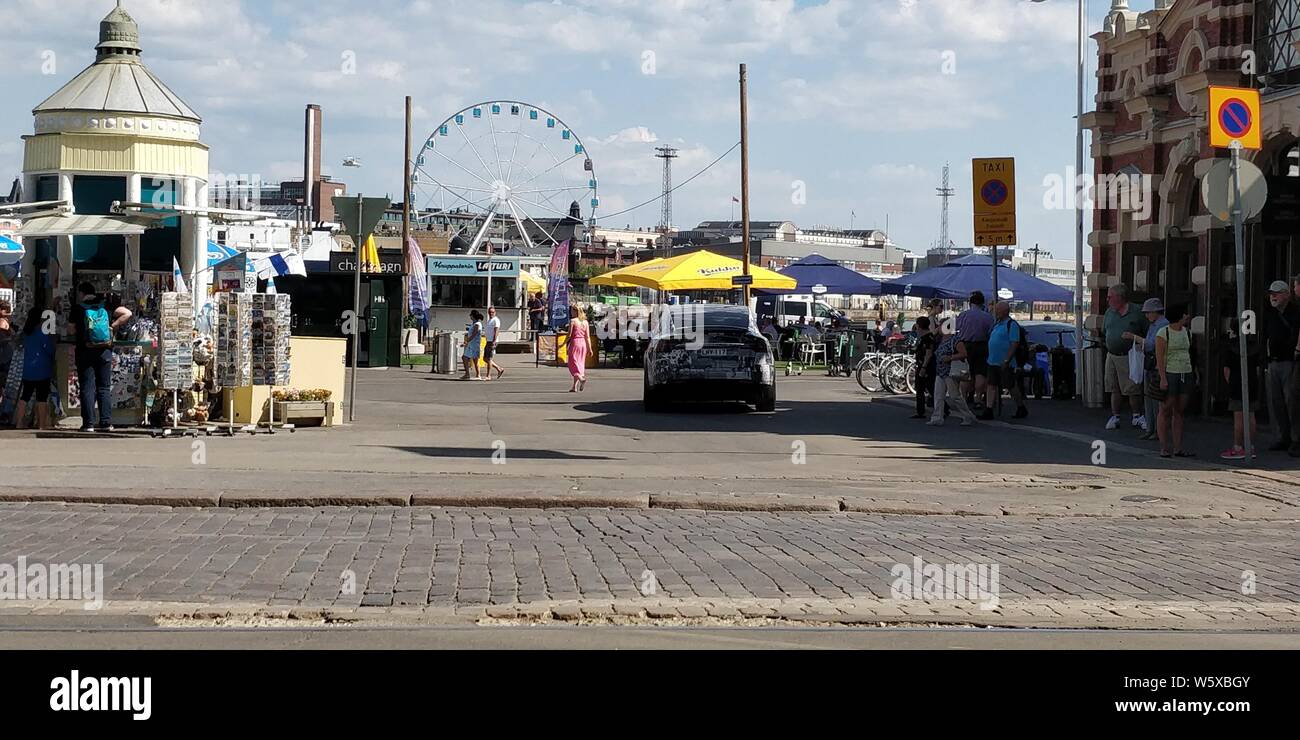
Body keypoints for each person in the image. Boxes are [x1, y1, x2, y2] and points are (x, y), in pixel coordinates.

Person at [68, 282, 131, 432]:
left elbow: (70, 331)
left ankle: (88, 424)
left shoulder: (78, 308)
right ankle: (106, 423)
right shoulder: (105, 306)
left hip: (85, 351)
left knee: (87, 387)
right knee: (103, 387)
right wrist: (113, 325)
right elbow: (127, 313)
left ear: (82, 293)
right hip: (105, 351)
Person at [1100, 283, 1149, 432]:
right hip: (1112, 355)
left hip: (1129, 355)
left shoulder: (1137, 312)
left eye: (1110, 297)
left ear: (1120, 298)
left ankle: (1137, 416)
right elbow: (1104, 330)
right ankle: (1115, 416)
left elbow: (1148, 331)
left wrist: (1139, 342)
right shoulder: (1109, 312)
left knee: (1132, 387)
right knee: (1114, 387)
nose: (1107, 299)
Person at [1262, 279, 1300, 455]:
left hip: (1289, 362)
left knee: (1291, 402)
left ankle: (1295, 438)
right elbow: (1265, 336)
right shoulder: (1269, 313)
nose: (1273, 296)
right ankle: (1281, 437)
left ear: (1287, 294)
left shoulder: (1295, 312)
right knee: (1275, 402)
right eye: (1271, 293)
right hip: (1273, 362)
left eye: (1276, 293)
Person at [1154, 303, 1194, 458]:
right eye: (1185, 314)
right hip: (1170, 373)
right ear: (1180, 316)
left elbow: (1190, 353)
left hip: (1186, 371)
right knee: (1165, 409)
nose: (1187, 317)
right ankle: (1164, 447)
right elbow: (1159, 357)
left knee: (1179, 410)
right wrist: (1163, 378)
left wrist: (1194, 372)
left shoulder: (1187, 333)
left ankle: (1178, 447)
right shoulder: (1163, 333)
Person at [1221, 318, 1261, 460]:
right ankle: (1250, 446)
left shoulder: (1231, 347)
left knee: (1239, 416)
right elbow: (1257, 368)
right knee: (1251, 415)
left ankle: (1238, 446)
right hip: (1252, 382)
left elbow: (1227, 370)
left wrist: (1230, 383)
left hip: (1237, 382)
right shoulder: (1254, 346)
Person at [929, 317, 977, 427]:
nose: (939, 328)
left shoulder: (955, 340)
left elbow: (964, 354)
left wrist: (950, 357)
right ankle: (937, 417)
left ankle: (967, 415)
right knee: (938, 395)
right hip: (940, 371)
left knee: (954, 396)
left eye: (940, 326)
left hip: (950, 371)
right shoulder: (940, 340)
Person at [985, 301, 1028, 419]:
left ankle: (1021, 407)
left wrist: (1007, 360)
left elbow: (1014, 343)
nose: (996, 312)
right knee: (991, 384)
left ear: (1004, 311)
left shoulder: (1012, 325)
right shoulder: (997, 324)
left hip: (1005, 361)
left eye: (998, 310)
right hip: (992, 360)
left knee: (1010, 385)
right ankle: (988, 410)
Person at [15, 306, 55, 429]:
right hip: (42, 368)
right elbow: (49, 350)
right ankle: (41, 424)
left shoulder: (26, 333)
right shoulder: (42, 333)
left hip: (28, 368)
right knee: (41, 398)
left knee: (25, 396)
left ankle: (19, 423)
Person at [1136, 298, 1169, 441]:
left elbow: (1151, 344)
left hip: (1157, 363)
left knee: (1155, 398)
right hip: (1150, 362)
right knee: (1148, 397)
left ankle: (1156, 429)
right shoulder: (1153, 324)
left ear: (1156, 311)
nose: (1146, 315)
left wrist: (1136, 339)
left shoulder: (1162, 325)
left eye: (1148, 312)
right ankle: (1151, 428)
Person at [955, 290, 994, 411]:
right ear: (982, 303)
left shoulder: (963, 315)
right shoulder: (988, 317)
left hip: (965, 345)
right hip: (982, 346)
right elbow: (991, 332)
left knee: (966, 372)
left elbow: (952, 328)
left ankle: (964, 398)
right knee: (980, 373)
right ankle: (978, 398)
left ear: (970, 303)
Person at [911, 316, 937, 419]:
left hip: (926, 367)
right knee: (920, 388)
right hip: (921, 365)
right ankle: (920, 411)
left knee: (931, 388)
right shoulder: (923, 338)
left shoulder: (928, 338)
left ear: (918, 326)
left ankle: (945, 408)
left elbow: (928, 353)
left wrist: (924, 367)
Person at [566, 303, 591, 392]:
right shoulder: (585, 322)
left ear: (575, 311)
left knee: (572, 363)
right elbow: (587, 336)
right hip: (583, 344)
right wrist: (590, 348)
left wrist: (564, 343)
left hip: (575, 343)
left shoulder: (573, 321)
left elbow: (569, 335)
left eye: (572, 310)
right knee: (579, 363)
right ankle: (574, 386)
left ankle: (581, 378)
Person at [460, 310, 484, 380]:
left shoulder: (477, 324)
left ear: (473, 316)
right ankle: (477, 374)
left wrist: (466, 341)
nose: (470, 316)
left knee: (465, 358)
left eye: (471, 315)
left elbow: (474, 334)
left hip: (474, 345)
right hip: (471, 344)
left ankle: (468, 374)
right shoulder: (474, 324)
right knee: (475, 359)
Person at [483, 306, 504, 381]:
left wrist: (494, 341)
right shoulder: (489, 321)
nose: (491, 313)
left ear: (495, 312)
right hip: (488, 341)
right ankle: (499, 368)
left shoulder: (496, 320)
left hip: (492, 341)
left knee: (489, 358)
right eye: (489, 312)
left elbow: (496, 331)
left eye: (492, 312)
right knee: (485, 358)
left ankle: (488, 375)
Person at [0, 300, 13, 410]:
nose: (8, 312)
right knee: (3, 383)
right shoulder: (2, 322)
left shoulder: (4, 321)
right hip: (4, 357)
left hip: (5, 357)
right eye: (6, 310)